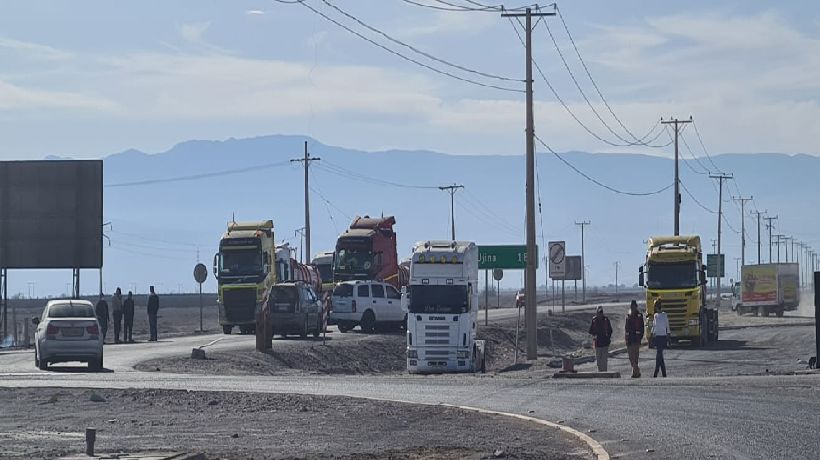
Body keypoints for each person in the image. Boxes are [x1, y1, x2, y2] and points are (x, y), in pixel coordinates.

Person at [588, 306, 613, 372]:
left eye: (601, 312)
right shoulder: (594, 320)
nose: (600, 314)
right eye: (599, 312)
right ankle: (600, 372)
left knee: (604, 360)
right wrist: (594, 334)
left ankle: (604, 373)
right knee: (598, 360)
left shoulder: (606, 320)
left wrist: (608, 338)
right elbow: (590, 331)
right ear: (596, 312)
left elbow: (610, 330)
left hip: (605, 343)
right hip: (597, 343)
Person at [625, 300, 645, 378]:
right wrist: (626, 339)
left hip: (636, 340)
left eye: (634, 307)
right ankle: (637, 371)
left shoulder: (639, 316)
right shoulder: (628, 316)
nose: (633, 308)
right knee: (631, 357)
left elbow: (642, 328)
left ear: (636, 307)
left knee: (635, 357)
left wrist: (640, 337)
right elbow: (626, 328)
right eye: (631, 307)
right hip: (629, 339)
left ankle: (635, 373)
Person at [652, 299, 670, 378]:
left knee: (658, 354)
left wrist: (668, 335)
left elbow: (667, 326)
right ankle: (664, 373)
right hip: (657, 336)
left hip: (663, 336)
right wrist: (652, 334)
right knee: (660, 355)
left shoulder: (664, 315)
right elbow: (654, 326)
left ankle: (656, 371)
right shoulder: (655, 315)